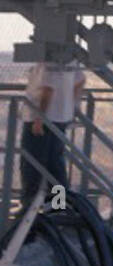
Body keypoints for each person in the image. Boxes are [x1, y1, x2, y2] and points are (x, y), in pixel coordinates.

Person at [20, 58, 86, 202]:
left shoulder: (49, 61)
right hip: (60, 118)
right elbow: (80, 80)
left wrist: (39, 118)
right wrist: (71, 106)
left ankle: (28, 204)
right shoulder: (70, 60)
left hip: (41, 120)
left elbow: (48, 89)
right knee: (55, 164)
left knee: (31, 163)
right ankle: (59, 205)